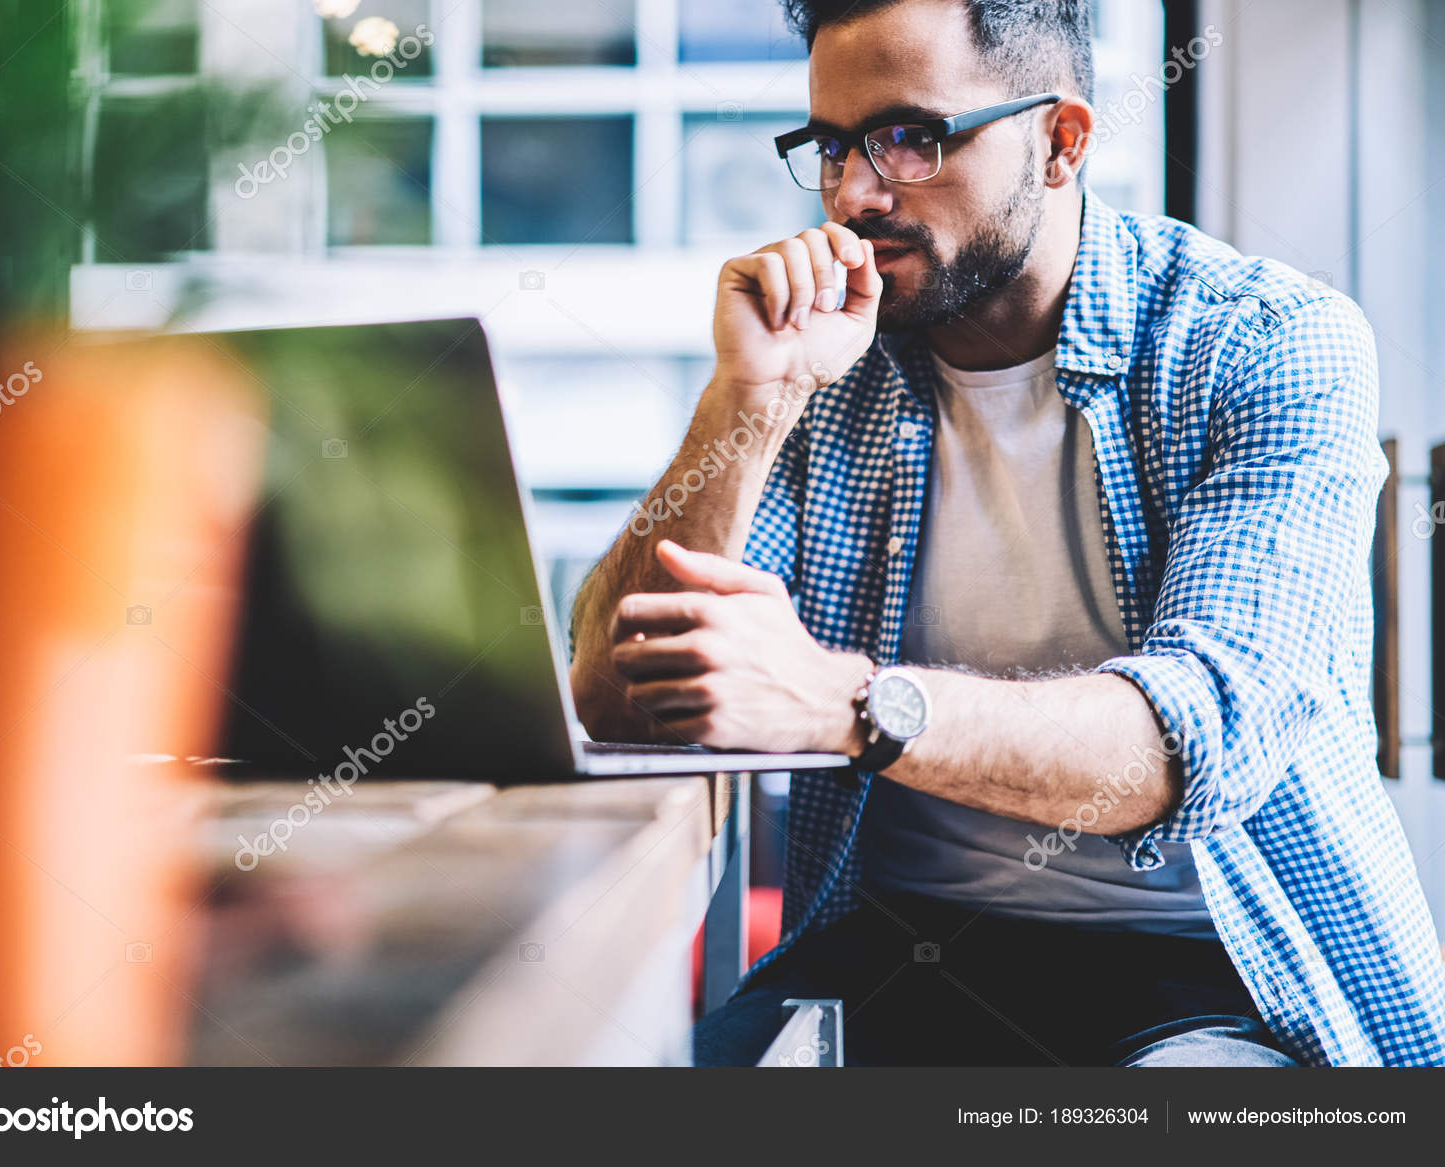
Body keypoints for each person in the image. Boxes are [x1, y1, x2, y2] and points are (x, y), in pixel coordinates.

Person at [566, 0, 1445, 1066]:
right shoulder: (833, 361)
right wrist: (749, 399)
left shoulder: (1265, 343)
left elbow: (1187, 745)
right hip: (884, 950)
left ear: (1062, 141)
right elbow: (620, 696)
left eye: (909, 138)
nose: (854, 195)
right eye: (832, 146)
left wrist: (845, 704)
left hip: (1216, 969)